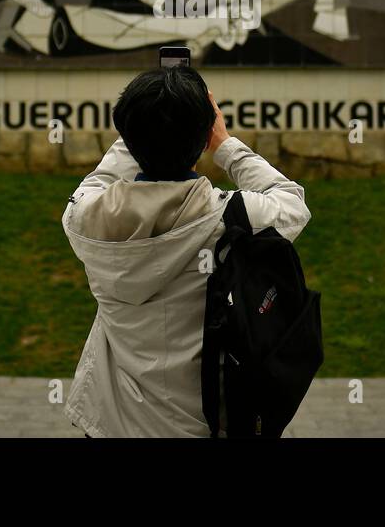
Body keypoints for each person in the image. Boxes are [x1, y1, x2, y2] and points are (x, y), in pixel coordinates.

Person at [62, 66, 310, 437]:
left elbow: (101, 180)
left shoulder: (83, 218)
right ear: (204, 134)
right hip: (205, 424)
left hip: (114, 424)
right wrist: (225, 145)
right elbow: (291, 202)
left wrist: (145, 121)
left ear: (128, 137)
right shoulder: (234, 217)